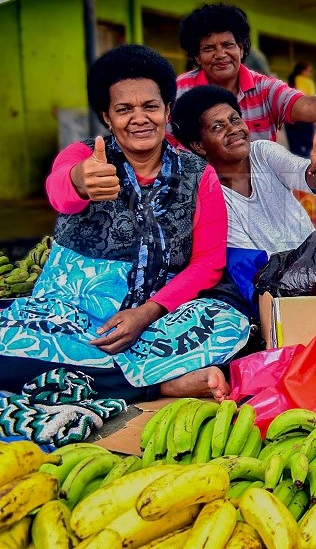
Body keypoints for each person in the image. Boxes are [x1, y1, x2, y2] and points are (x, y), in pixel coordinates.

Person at [0, 45, 250, 402]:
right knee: (7, 351)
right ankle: (162, 384)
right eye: (123, 109)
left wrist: (147, 314)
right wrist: (79, 181)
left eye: (150, 106)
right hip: (74, 316)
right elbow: (59, 191)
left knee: (229, 326)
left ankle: (100, 379)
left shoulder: (200, 175)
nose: (139, 118)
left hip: (158, 317)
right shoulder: (82, 156)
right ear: (107, 117)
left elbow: (209, 262)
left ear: (167, 110)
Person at [175, 4, 316, 143]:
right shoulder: (178, 91)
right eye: (209, 48)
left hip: (259, 196)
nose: (220, 54)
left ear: (241, 49)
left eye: (228, 45)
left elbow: (308, 106)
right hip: (200, 201)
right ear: (196, 56)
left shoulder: (265, 88)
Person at [170, 85, 316, 257]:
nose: (233, 129)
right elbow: (255, 265)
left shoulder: (262, 152)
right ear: (198, 145)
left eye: (235, 119)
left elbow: (303, 174)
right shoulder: (210, 197)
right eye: (217, 127)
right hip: (281, 280)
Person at [284, 61, 316, 158]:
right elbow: (312, 101)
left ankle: (296, 170)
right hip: (305, 118)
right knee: (308, 147)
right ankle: (307, 170)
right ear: (302, 71)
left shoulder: (289, 81)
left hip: (289, 118)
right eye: (309, 71)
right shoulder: (308, 82)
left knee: (295, 149)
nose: (310, 73)